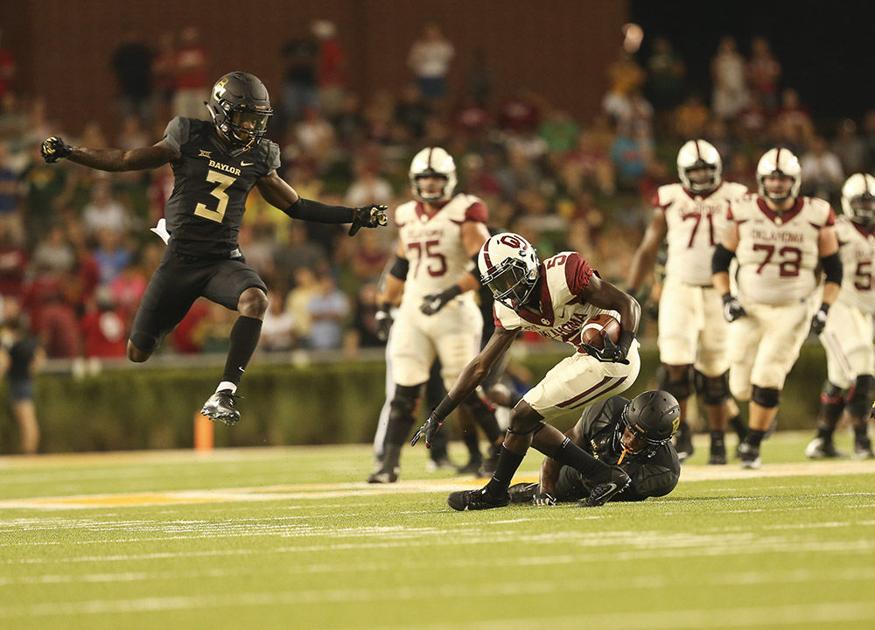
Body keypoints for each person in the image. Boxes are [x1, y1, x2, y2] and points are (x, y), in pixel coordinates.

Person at [40, 71, 387, 425]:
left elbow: (295, 206)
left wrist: (353, 214)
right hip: (179, 261)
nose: (252, 127)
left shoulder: (260, 156)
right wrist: (72, 152)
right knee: (138, 351)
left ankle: (224, 392)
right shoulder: (189, 134)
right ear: (222, 112)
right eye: (245, 117)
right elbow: (128, 159)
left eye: (257, 119)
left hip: (222, 259)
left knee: (256, 299)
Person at [411, 232, 642, 510]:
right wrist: (438, 414)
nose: (508, 288)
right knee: (522, 419)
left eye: (511, 276)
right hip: (584, 358)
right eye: (499, 283)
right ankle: (595, 476)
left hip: (613, 359)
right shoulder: (509, 310)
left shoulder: (564, 274)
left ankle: (502, 491)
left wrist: (624, 345)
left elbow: (629, 304)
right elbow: (480, 365)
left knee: (522, 415)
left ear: (529, 262)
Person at [367, 147, 502, 483]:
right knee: (404, 388)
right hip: (413, 309)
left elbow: (487, 266)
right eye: (424, 178)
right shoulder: (407, 215)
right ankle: (388, 465)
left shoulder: (465, 211)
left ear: (449, 180)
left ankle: (498, 449)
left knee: (464, 389)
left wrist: (449, 292)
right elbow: (401, 264)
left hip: (455, 311)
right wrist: (385, 306)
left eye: (436, 177)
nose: (429, 184)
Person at [712, 148, 842, 469]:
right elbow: (720, 260)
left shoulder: (817, 214)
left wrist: (823, 307)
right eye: (772, 178)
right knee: (739, 385)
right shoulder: (742, 210)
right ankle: (764, 413)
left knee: (767, 373)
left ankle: (752, 445)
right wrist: (727, 298)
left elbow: (834, 270)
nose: (778, 184)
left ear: (795, 181)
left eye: (783, 178)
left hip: (793, 308)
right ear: (761, 181)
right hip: (749, 305)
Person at [626, 140, 748, 464]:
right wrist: (631, 289)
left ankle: (719, 442)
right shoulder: (670, 198)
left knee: (715, 373)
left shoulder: (736, 195)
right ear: (683, 172)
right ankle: (681, 435)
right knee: (675, 366)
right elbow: (649, 247)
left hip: (719, 289)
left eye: (706, 170)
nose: (701, 176)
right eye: (695, 170)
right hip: (679, 288)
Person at [508, 391, 681, 505]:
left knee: (604, 484)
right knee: (543, 492)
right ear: (624, 418)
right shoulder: (605, 411)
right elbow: (560, 447)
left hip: (614, 486)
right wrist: (545, 489)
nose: (630, 441)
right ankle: (529, 489)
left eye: (642, 439)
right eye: (630, 430)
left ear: (658, 443)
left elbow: (617, 489)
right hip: (584, 469)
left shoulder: (665, 471)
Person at [808, 174, 875, 460]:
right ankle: (862, 440)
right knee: (861, 366)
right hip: (838, 307)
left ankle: (822, 440)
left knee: (839, 376)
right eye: (861, 201)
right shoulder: (837, 230)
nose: (866, 207)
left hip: (867, 312)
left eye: (870, 201)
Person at [0, 304, 43, 455]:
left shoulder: (11, 344)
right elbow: (39, 359)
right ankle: (29, 450)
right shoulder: (29, 342)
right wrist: (30, 372)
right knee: (29, 420)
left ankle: (29, 452)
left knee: (26, 421)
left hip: (18, 383)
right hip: (27, 381)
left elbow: (4, 362)